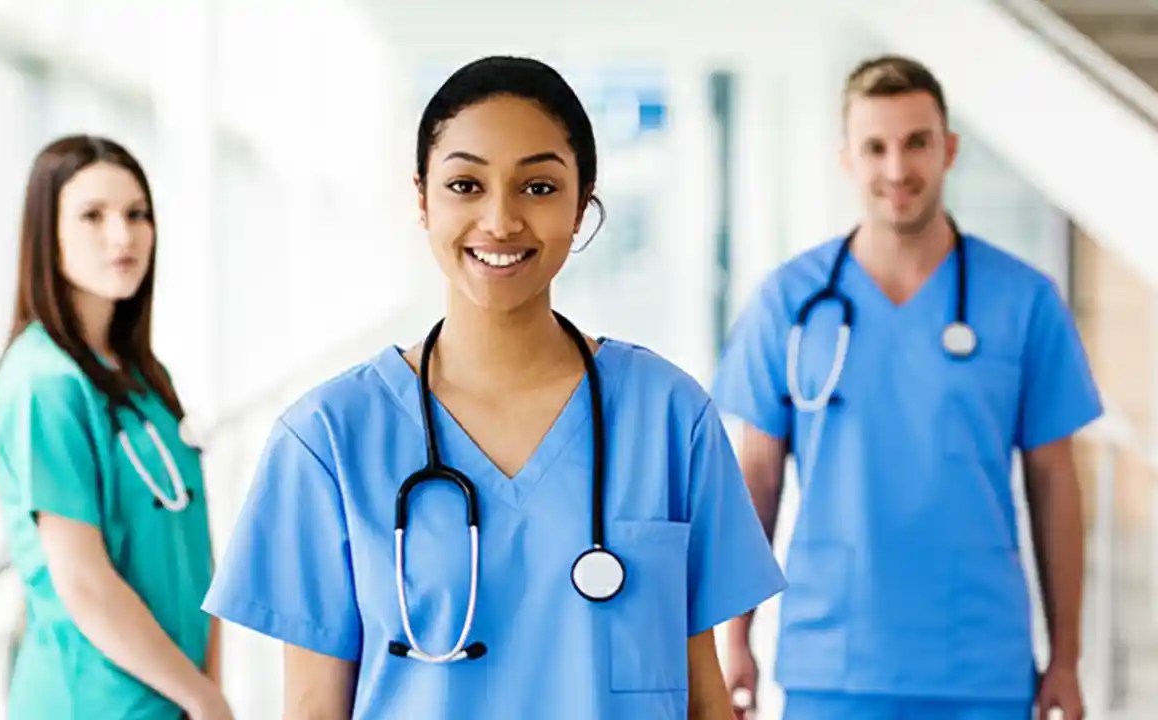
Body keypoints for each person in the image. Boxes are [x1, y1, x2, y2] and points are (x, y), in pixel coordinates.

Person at [202, 55, 786, 719]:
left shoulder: (669, 418)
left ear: (581, 203)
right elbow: (312, 710)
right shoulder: (329, 439)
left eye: (538, 187)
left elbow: (706, 698)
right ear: (421, 199)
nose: (502, 220)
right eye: (465, 185)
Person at [712, 55, 1100, 720]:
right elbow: (757, 483)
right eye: (876, 147)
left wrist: (1065, 658)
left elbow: (1055, 484)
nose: (898, 169)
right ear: (847, 160)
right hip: (832, 663)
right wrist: (735, 642)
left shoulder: (1023, 301)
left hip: (981, 663)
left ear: (948, 150)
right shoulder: (791, 302)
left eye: (917, 143)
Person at [0, 135, 233, 719]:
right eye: (92, 217)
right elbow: (83, 582)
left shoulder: (143, 377)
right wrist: (202, 696)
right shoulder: (45, 382)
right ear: (47, 236)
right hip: (93, 701)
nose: (122, 236)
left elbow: (191, 543)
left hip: (170, 693)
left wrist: (207, 682)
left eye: (136, 214)